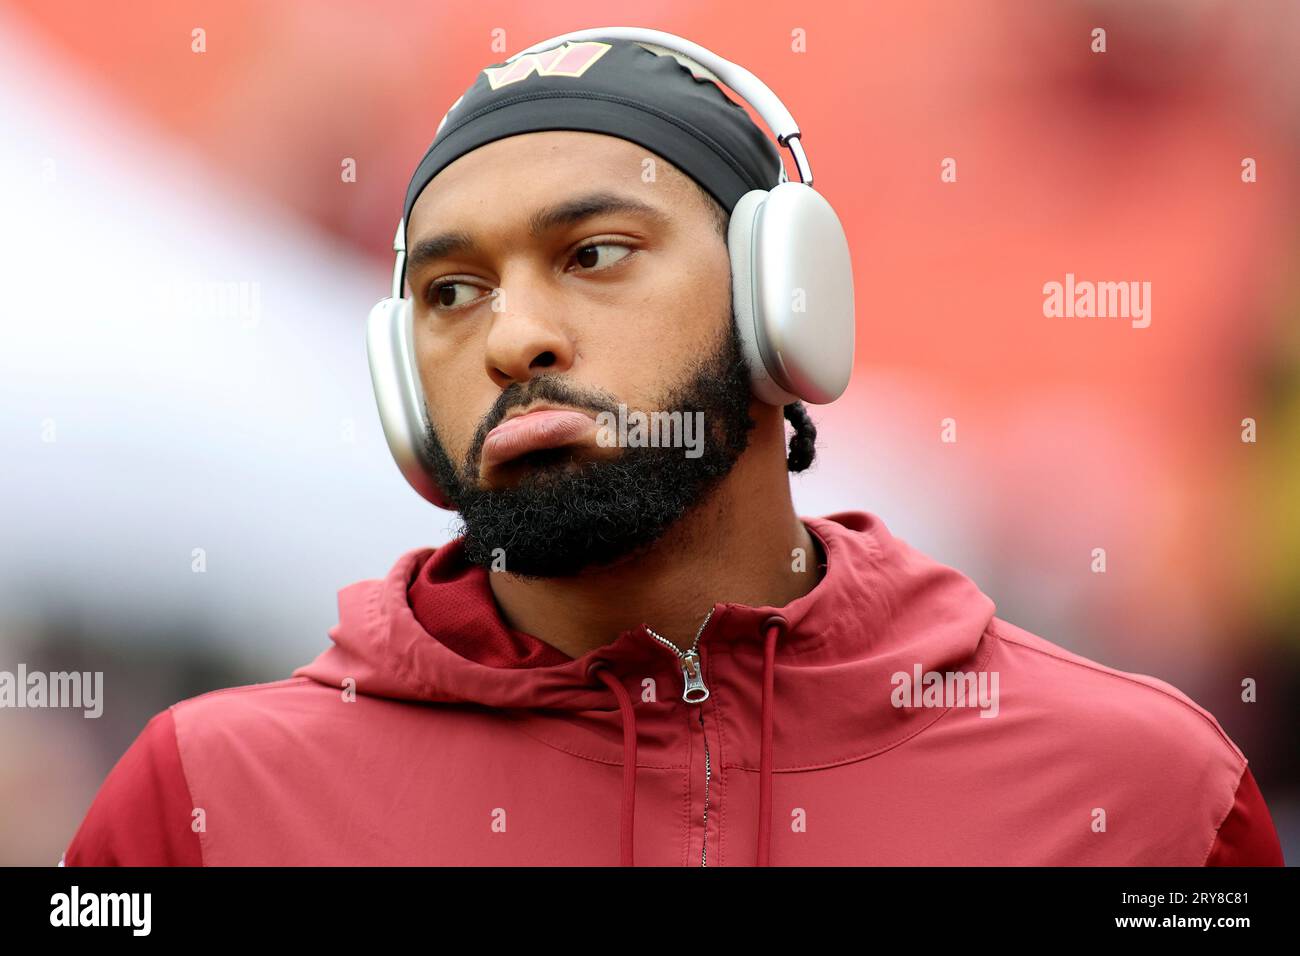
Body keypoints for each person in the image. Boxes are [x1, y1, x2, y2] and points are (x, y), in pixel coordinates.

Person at [62, 32, 1283, 867]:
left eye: (594, 254)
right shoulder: (203, 797)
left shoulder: (1140, 789)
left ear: (781, 300)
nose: (514, 336)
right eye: (449, 290)